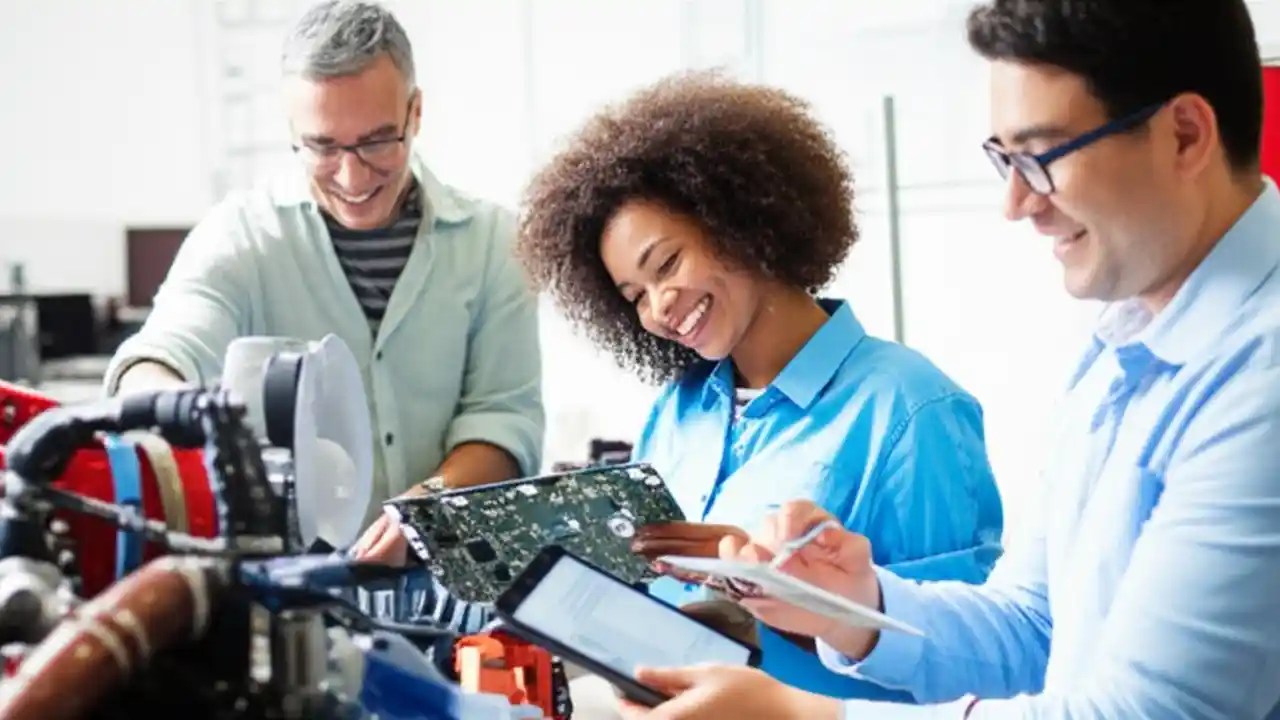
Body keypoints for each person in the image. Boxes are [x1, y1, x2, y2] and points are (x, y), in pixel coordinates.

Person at [615, 0, 1280, 718]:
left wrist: (805, 714)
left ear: (1184, 135)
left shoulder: (1260, 378)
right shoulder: (1122, 344)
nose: (1016, 204)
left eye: (1041, 157)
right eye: (1003, 159)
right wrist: (850, 606)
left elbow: (1144, 713)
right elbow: (1032, 622)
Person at [517, 71, 1003, 700]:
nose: (660, 308)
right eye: (634, 296)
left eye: (666, 264)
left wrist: (774, 592)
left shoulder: (912, 412)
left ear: (739, 219)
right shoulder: (677, 412)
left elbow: (959, 668)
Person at [103, 0, 543, 563]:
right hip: (287, 588)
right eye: (323, 146)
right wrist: (166, 403)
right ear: (293, 131)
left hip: (447, 577)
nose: (352, 175)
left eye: (377, 141)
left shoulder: (492, 244)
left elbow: (506, 420)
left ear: (416, 112)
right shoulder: (242, 237)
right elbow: (163, 352)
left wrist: (427, 506)